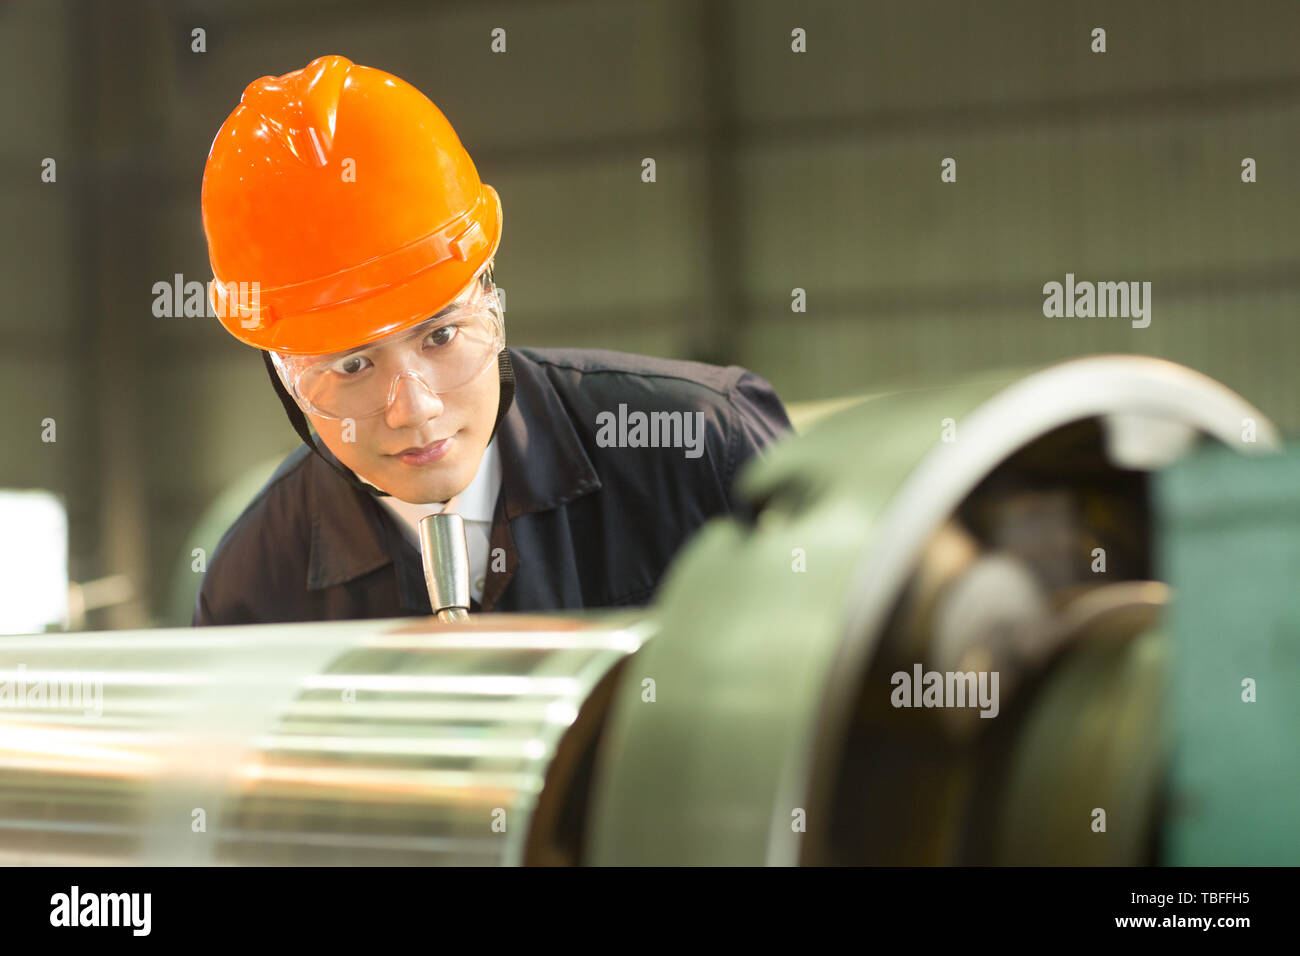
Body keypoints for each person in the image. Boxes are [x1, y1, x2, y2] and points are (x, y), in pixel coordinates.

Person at [192, 55, 791, 625]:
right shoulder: (252, 588)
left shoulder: (704, 452)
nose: (416, 410)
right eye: (351, 366)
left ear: (491, 299)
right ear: (283, 376)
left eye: (442, 335)